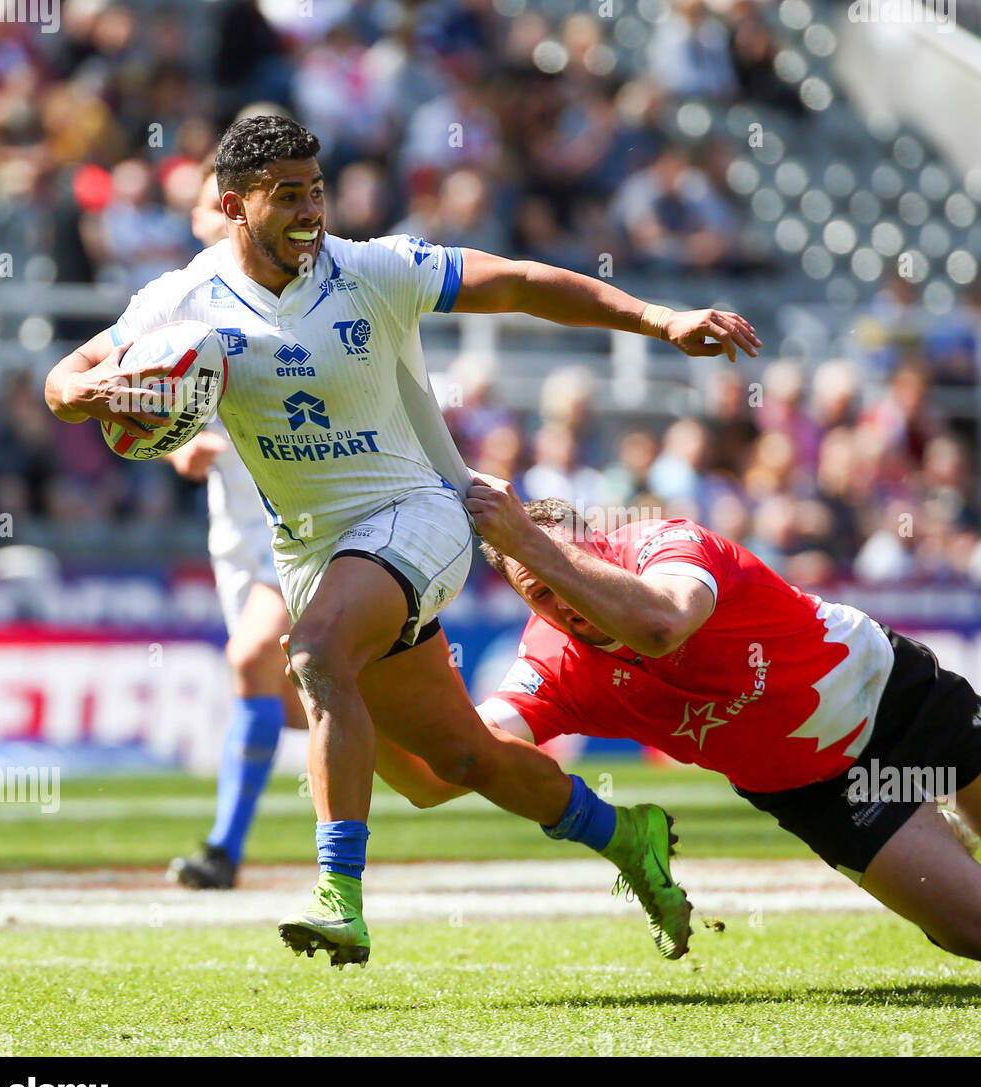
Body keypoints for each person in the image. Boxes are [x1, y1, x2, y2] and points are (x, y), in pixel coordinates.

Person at [43, 115, 761, 967]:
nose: (312, 208)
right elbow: (62, 379)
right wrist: (96, 395)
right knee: (451, 765)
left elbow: (523, 282)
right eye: (288, 195)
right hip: (310, 550)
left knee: (312, 653)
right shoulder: (181, 301)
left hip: (419, 512)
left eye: (318, 189)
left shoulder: (373, 269)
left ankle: (338, 895)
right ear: (234, 205)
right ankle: (627, 836)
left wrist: (658, 317)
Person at [460, 483, 981, 967]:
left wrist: (529, 543)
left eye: (562, 572)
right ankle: (927, 822)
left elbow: (661, 625)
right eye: (537, 591)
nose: (560, 604)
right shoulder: (551, 660)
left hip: (883, 691)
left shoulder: (668, 546)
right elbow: (470, 745)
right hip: (809, 788)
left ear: (595, 546)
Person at [164, 158, 307, 890]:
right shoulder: (178, 308)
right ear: (204, 217)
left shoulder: (290, 295)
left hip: (304, 530)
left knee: (252, 656)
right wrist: (180, 444)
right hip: (236, 536)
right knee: (310, 708)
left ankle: (223, 849)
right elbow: (149, 407)